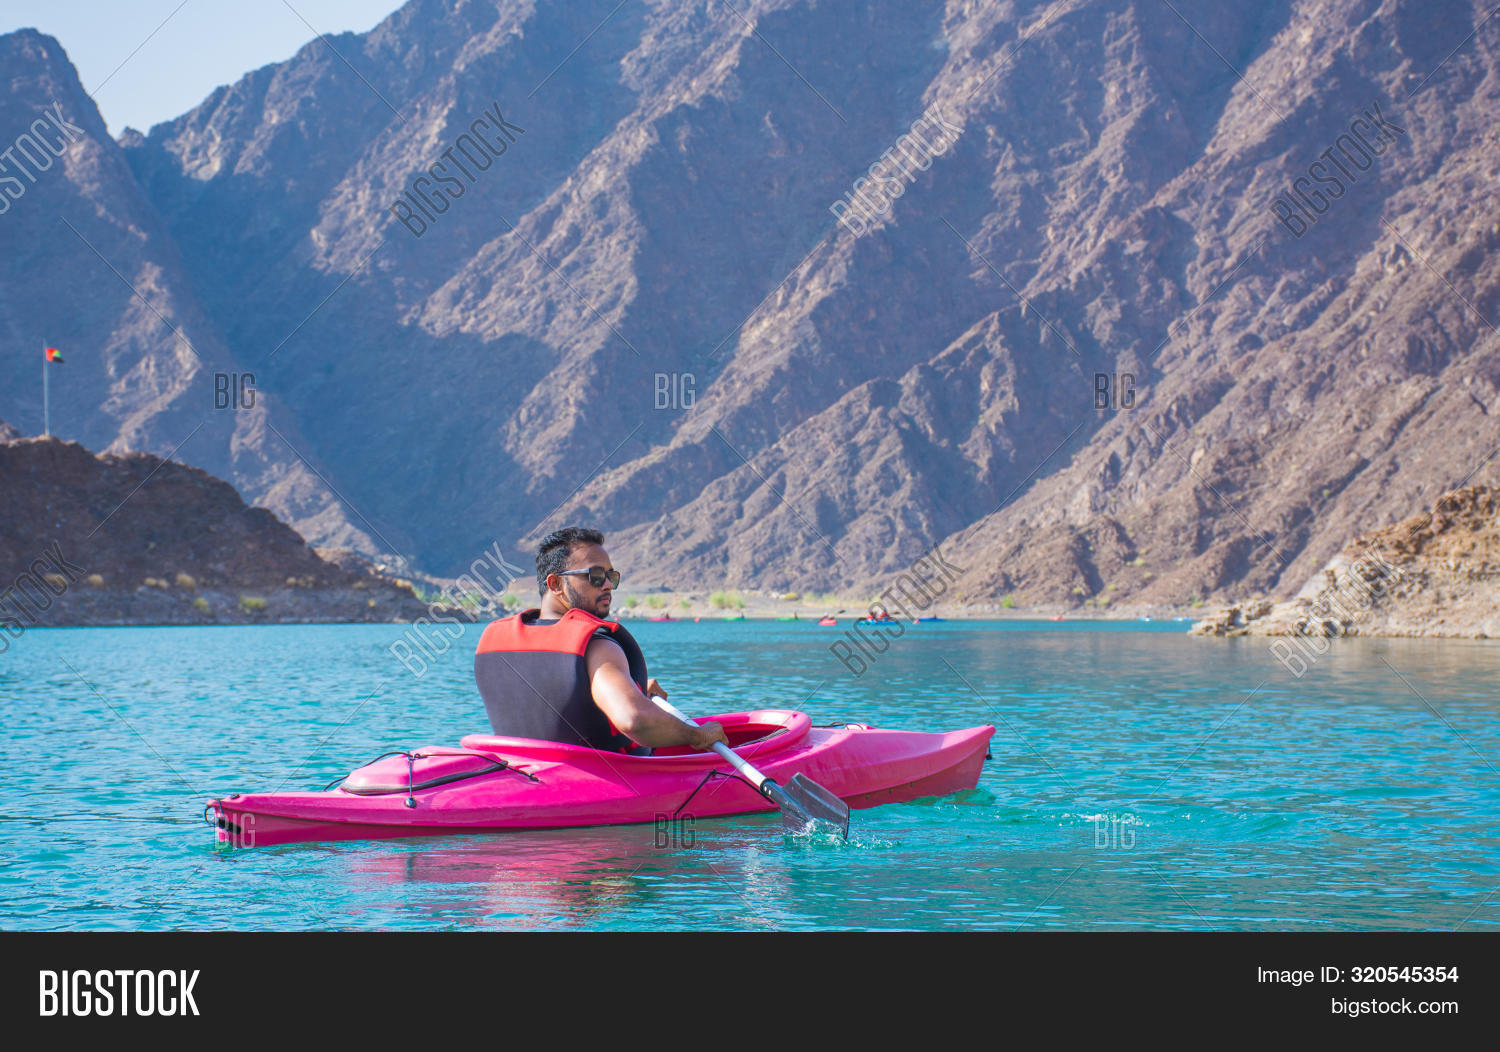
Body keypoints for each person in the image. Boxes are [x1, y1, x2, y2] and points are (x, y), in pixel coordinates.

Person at [474, 526, 728, 753]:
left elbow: (552, 691)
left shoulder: (493, 638)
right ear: (555, 584)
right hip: (607, 784)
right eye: (595, 576)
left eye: (611, 576)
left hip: (521, 771)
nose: (608, 585)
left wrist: (631, 685)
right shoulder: (597, 644)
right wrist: (697, 735)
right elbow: (632, 719)